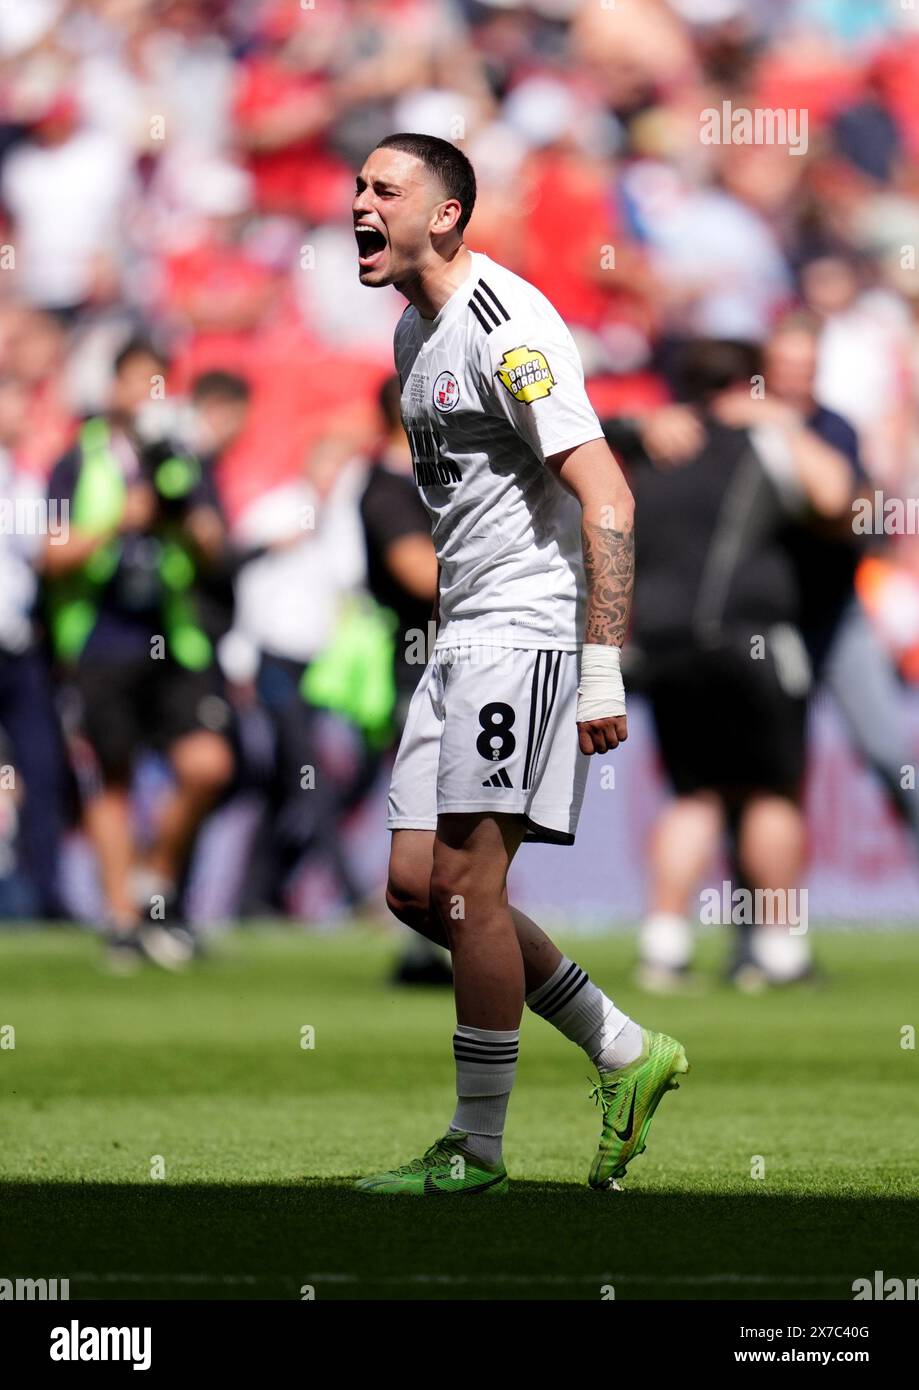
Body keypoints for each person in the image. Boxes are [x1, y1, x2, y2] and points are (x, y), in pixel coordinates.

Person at [351, 132, 688, 1197]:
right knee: (417, 891)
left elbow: (609, 496)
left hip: (527, 634)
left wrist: (601, 667)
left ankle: (476, 1146)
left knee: (467, 886)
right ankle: (625, 1049)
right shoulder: (415, 331)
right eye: (357, 186)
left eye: (382, 189)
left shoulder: (509, 327)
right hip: (460, 641)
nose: (358, 203)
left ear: (445, 213)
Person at [604, 340, 853, 992]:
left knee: (694, 795)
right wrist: (782, 423)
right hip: (751, 640)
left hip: (660, 644)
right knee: (771, 792)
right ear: (751, 384)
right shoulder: (761, 436)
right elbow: (834, 497)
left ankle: (663, 946)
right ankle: (779, 952)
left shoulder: (650, 444)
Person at [41, 338, 234, 971]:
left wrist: (179, 514)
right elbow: (52, 552)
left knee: (207, 765)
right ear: (114, 386)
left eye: (159, 382)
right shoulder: (79, 458)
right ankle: (124, 921)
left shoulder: (182, 457)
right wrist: (119, 522)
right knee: (112, 778)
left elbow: (213, 545)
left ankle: (154, 881)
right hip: (100, 638)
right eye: (137, 381)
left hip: (173, 636)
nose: (147, 394)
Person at [357, 374, 449, 984]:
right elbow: (421, 575)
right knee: (428, 803)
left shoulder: (434, 479)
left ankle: (434, 943)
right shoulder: (388, 487)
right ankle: (427, 943)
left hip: (455, 656)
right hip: (418, 662)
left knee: (457, 804)